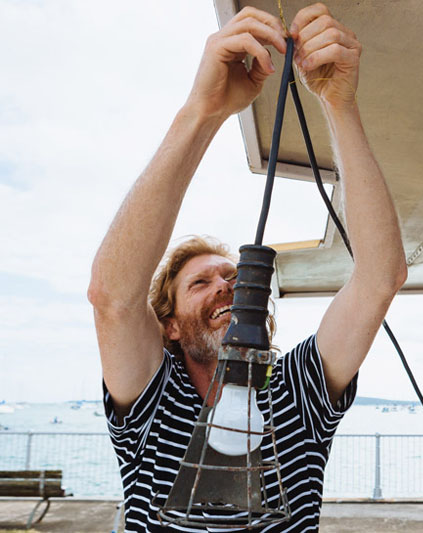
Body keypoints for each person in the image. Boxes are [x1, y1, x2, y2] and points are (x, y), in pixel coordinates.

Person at [87, 4, 406, 531]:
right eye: (201, 282)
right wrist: (204, 110)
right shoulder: (153, 398)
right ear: (168, 324)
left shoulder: (296, 390)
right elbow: (113, 299)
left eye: (232, 276)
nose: (225, 285)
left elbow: (380, 278)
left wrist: (339, 105)